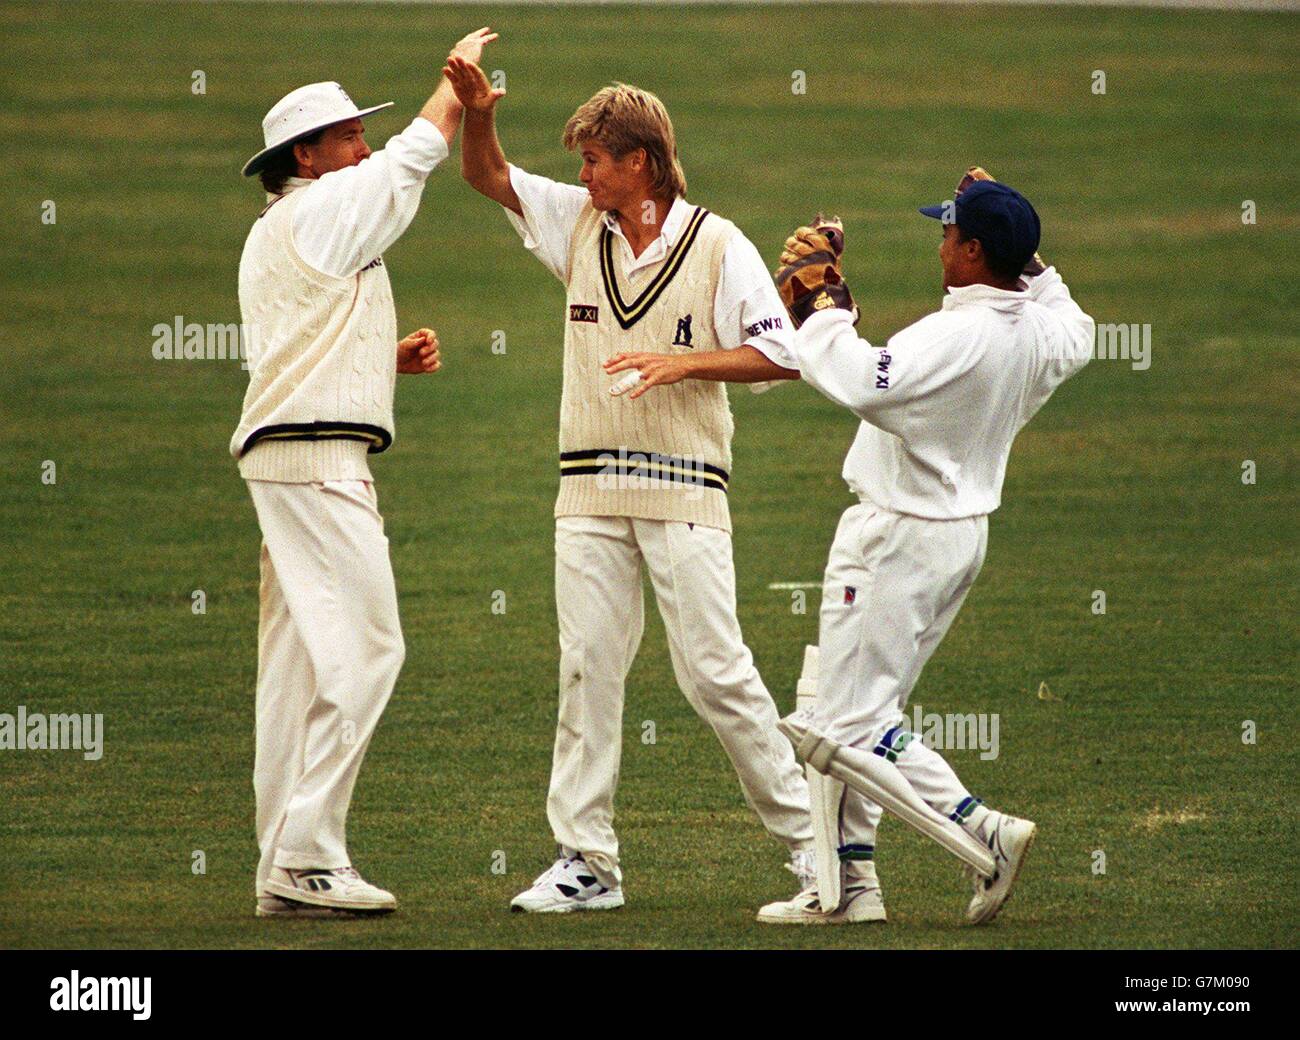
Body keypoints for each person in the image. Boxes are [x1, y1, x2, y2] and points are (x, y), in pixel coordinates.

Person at [443, 56, 819, 914]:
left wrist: (678, 364)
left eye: (594, 160)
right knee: (587, 668)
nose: (581, 175)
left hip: (685, 491)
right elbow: (486, 173)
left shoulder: (721, 245)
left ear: (641, 162)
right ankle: (586, 861)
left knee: (716, 674)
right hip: (587, 491)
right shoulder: (579, 223)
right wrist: (477, 114)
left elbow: (779, 358)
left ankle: (813, 848)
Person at [756, 172, 1095, 924]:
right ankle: (852, 889)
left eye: (949, 233)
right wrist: (1025, 248)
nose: (939, 242)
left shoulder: (954, 335)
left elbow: (856, 381)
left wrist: (819, 301)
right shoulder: (1045, 332)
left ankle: (984, 831)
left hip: (896, 538)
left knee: (842, 729)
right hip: (959, 537)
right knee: (866, 714)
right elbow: (1078, 322)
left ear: (974, 252)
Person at [232, 28, 498, 919]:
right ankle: (307, 855)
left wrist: (376, 362)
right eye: (348, 134)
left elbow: (290, 349)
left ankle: (285, 860)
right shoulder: (321, 207)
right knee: (369, 648)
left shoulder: (286, 226)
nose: (363, 145)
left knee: (303, 665)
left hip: (290, 451)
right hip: (315, 462)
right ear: (305, 156)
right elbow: (409, 166)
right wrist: (454, 91)